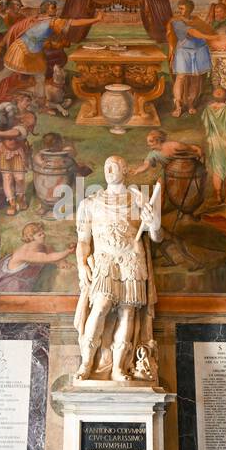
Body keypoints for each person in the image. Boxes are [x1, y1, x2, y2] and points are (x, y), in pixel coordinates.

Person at [73, 156, 160, 382]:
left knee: (127, 312)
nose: (109, 170)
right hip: (105, 261)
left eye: (114, 167)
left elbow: (155, 236)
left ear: (125, 170)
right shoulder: (90, 203)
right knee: (100, 306)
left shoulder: (138, 200)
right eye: (106, 167)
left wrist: (153, 222)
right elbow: (83, 241)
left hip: (131, 260)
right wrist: (82, 265)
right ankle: (86, 363)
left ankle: (118, 368)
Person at [0, 1, 100, 103]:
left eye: (55, 7)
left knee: (40, 77)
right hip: (21, 49)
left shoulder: (40, 18)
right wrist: (96, 19)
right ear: (46, 9)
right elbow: (73, 22)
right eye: (52, 8)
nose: (55, 10)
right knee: (6, 72)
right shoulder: (45, 20)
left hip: (35, 52)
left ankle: (40, 101)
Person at [0, 222, 74, 292]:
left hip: (23, 278)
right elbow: (48, 257)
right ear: (31, 237)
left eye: (43, 233)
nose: (44, 235)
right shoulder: (26, 253)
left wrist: (61, 262)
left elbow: (49, 249)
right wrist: (67, 252)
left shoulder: (38, 245)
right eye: (40, 235)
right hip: (12, 283)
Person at [167, 0, 219, 116]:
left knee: (196, 78)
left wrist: (214, 36)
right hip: (184, 51)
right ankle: (178, 106)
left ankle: (191, 103)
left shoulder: (196, 20)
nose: (179, 11)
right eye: (179, 8)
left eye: (182, 8)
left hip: (200, 50)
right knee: (180, 77)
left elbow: (207, 28)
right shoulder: (176, 21)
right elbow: (192, 32)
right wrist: (212, 37)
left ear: (189, 9)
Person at [199, 87, 226, 204]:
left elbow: (206, 125)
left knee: (217, 170)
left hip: (215, 143)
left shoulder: (208, 109)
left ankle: (218, 196)